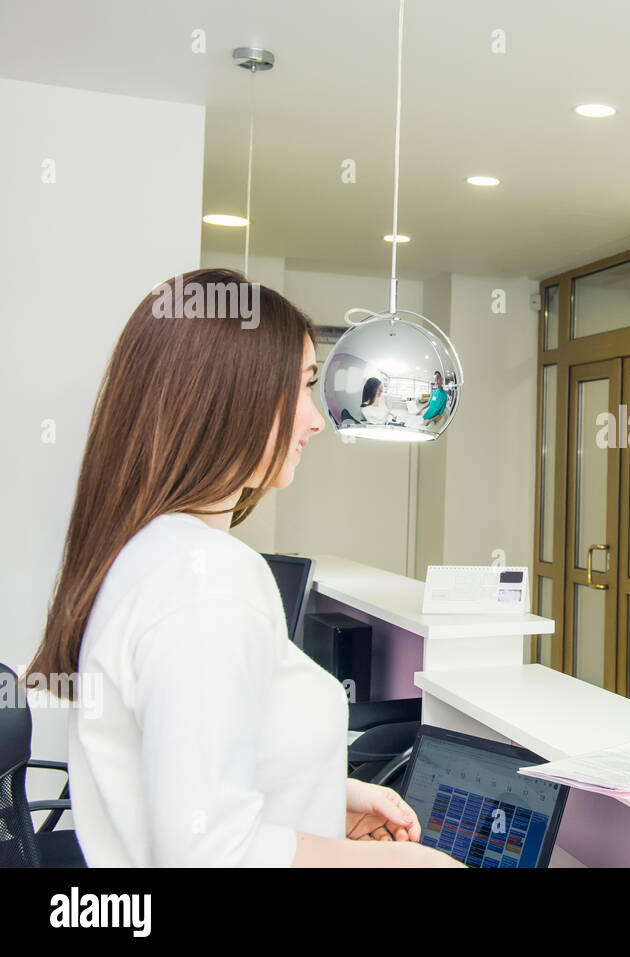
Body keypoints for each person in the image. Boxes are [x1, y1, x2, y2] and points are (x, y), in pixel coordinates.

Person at [24, 268, 461, 867]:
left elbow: (188, 782)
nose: (315, 421)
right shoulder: (206, 578)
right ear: (230, 398)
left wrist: (329, 796)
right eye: (303, 387)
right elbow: (207, 852)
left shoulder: (153, 553)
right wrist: (408, 864)